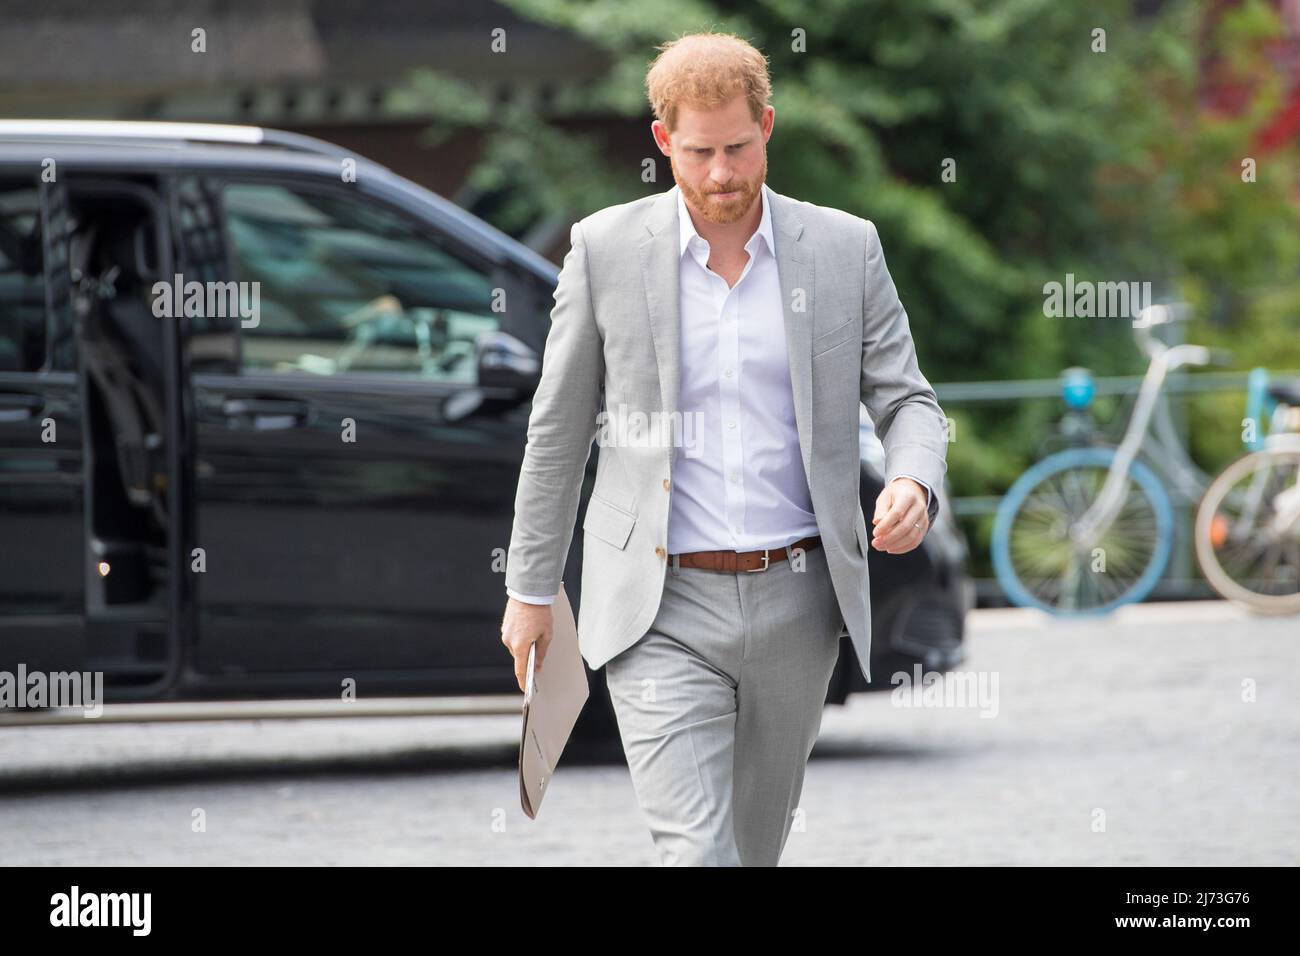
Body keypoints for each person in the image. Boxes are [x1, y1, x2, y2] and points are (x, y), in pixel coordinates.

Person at [500, 30, 948, 866]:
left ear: (768, 126)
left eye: (739, 148)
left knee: (752, 850)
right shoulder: (604, 251)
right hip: (657, 606)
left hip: (799, 601)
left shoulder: (846, 249)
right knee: (695, 853)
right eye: (699, 152)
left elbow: (907, 397)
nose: (722, 175)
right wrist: (529, 586)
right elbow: (556, 431)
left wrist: (915, 479)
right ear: (664, 141)